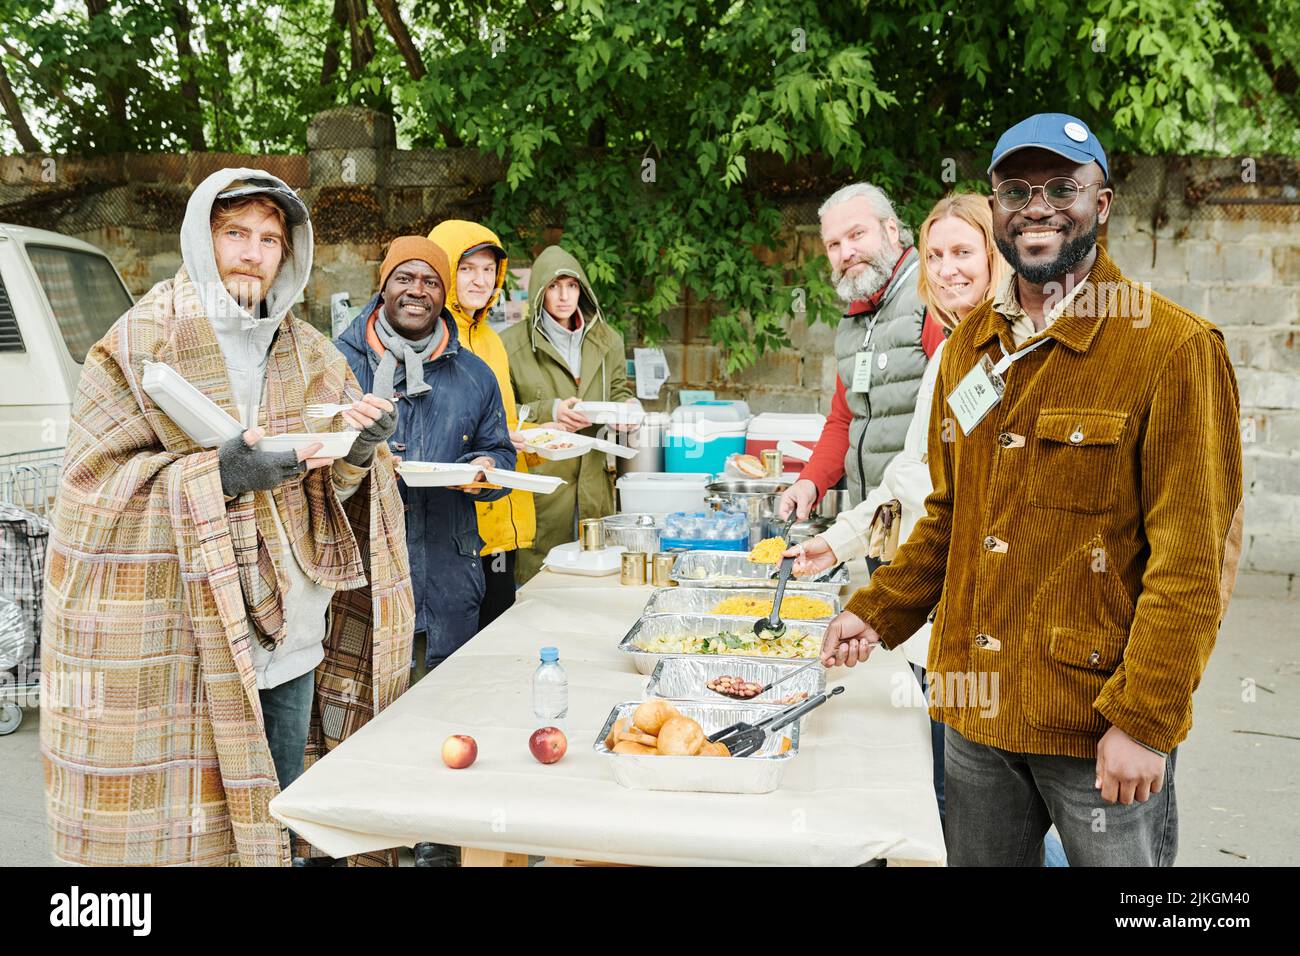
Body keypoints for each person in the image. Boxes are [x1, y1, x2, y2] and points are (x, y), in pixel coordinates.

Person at [819, 113, 1244, 866]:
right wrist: (877, 612)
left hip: (1096, 730)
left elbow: (1192, 565)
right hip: (976, 719)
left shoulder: (1172, 350)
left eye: (1062, 187)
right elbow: (951, 514)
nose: (1038, 204)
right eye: (1017, 188)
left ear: (1101, 204)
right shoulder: (968, 350)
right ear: (995, 208)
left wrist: (1145, 719)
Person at [41, 168, 413, 867]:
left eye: (270, 239)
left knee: (279, 819)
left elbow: (337, 482)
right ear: (200, 239)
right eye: (234, 233)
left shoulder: (312, 354)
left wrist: (360, 453)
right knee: (196, 833)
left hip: (292, 641)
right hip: (187, 638)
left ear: (289, 253)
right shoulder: (138, 342)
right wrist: (219, 476)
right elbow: (90, 494)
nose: (252, 252)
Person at [788, 191, 1009, 831]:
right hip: (919, 578)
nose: (947, 269)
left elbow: (942, 484)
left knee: (981, 802)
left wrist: (847, 540)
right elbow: (916, 467)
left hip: (971, 600)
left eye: (963, 253)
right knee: (948, 782)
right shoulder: (948, 349)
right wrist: (840, 538)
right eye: (937, 255)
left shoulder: (987, 345)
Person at [335, 235, 516, 869]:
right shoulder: (337, 362)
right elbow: (307, 457)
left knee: (446, 701)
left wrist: (487, 466)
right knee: (361, 697)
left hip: (449, 560)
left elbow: (503, 452)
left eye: (430, 281)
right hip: (356, 564)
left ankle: (438, 835)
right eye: (405, 278)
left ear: (444, 296)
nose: (418, 291)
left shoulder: (474, 374)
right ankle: (365, 832)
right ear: (383, 285)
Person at [777, 183, 927, 524]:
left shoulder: (930, 296)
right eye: (834, 244)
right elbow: (846, 418)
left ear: (891, 230)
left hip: (924, 528)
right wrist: (810, 482)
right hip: (876, 525)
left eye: (856, 234)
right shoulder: (856, 318)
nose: (846, 252)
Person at [502, 245, 639, 582]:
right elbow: (501, 412)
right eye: (553, 286)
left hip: (596, 480)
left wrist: (629, 407)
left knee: (596, 579)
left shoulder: (609, 340)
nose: (564, 296)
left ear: (583, 290)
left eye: (572, 286)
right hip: (544, 484)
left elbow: (619, 390)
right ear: (538, 291)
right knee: (539, 586)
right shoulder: (510, 345)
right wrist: (552, 409)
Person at [428, 221, 536, 629]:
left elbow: (500, 422)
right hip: (460, 525)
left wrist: (524, 440)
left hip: (503, 517)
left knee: (498, 645)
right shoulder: (432, 336)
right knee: (454, 658)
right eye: (467, 268)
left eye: (488, 269)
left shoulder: (493, 338)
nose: (480, 280)